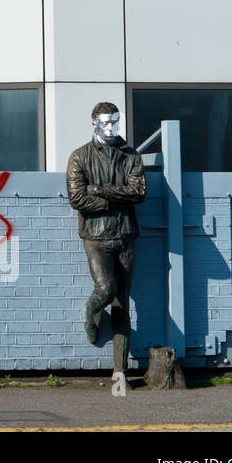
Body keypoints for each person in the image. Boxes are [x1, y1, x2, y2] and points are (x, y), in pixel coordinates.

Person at [66, 101, 146, 378]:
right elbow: (77, 199)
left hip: (125, 234)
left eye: (115, 121)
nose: (112, 127)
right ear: (94, 123)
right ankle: (91, 309)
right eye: (106, 122)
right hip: (95, 236)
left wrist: (99, 190)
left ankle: (119, 371)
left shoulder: (131, 156)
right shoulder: (79, 157)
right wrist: (117, 198)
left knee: (122, 302)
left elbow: (139, 193)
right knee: (105, 288)